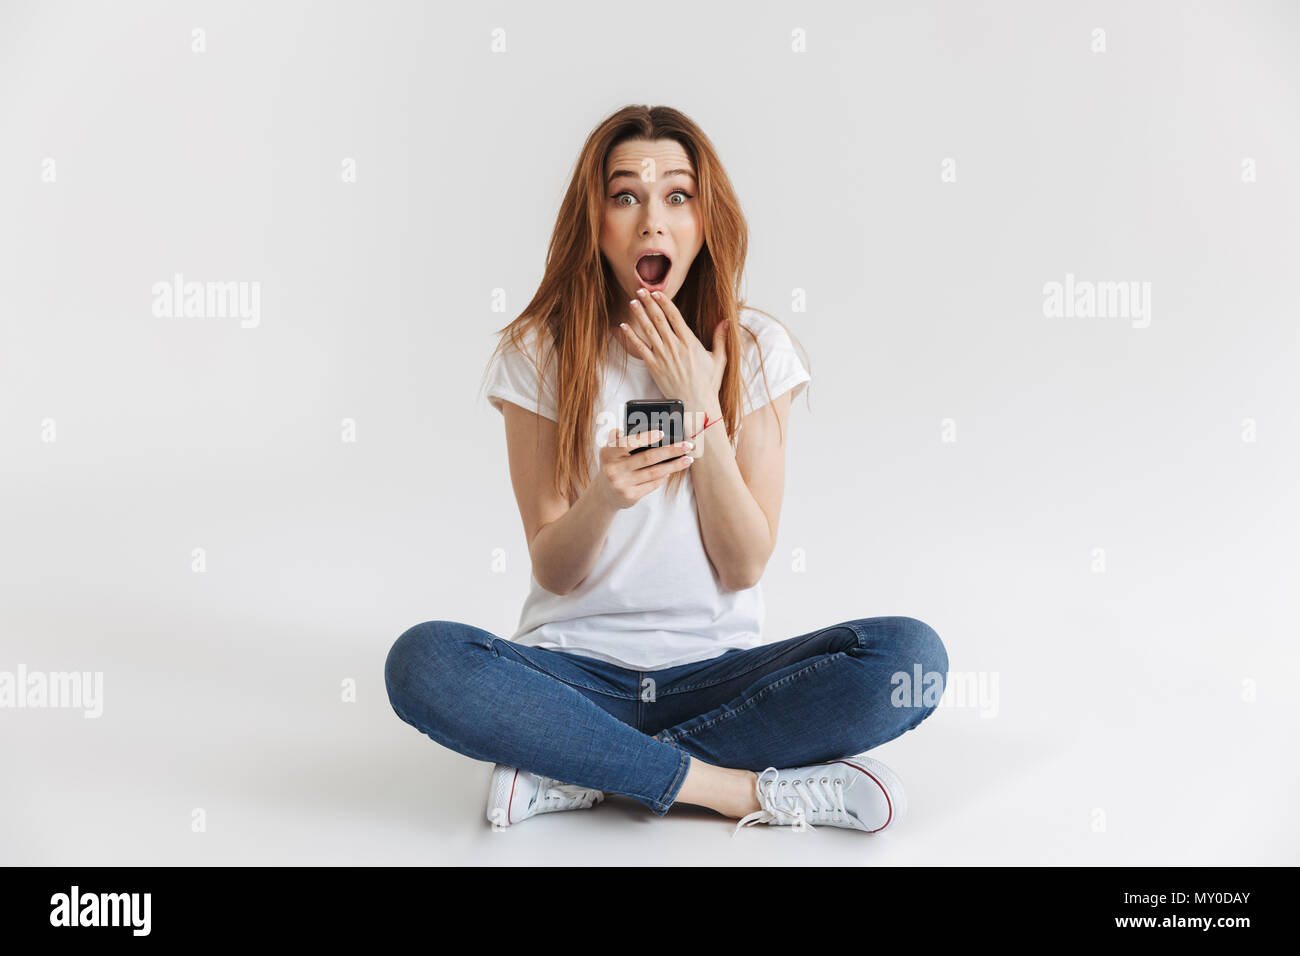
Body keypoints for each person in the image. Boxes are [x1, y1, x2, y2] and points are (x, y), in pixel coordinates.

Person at [385, 105, 948, 834]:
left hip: (719, 680)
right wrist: (603, 498)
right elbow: (554, 570)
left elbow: (745, 563)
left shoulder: (757, 348)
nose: (652, 220)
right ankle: (731, 790)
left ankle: (578, 768)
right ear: (595, 219)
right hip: (574, 676)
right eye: (626, 195)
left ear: (704, 220)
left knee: (911, 659)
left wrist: (700, 405)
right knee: (422, 661)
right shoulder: (539, 353)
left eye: (676, 196)